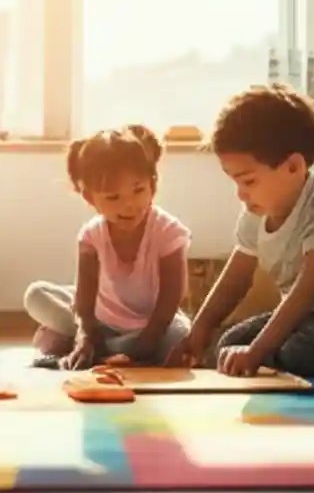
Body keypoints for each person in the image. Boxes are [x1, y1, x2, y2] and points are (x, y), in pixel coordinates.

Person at [167, 85, 314, 378]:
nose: (241, 195)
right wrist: (200, 330)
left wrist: (257, 351)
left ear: (294, 166)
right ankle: (274, 359)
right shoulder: (257, 211)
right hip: (305, 318)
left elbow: (308, 290)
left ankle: (284, 360)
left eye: (248, 181)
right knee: (228, 343)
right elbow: (236, 278)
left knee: (300, 350)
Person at [23, 125, 192, 370]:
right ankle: (93, 347)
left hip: (150, 326)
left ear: (152, 185)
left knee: (181, 335)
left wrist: (146, 344)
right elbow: (84, 300)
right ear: (91, 199)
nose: (130, 205)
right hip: (101, 323)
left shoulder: (169, 233)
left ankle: (92, 349)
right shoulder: (91, 236)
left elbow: (170, 300)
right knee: (36, 295)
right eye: (113, 197)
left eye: (138, 190)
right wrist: (86, 334)